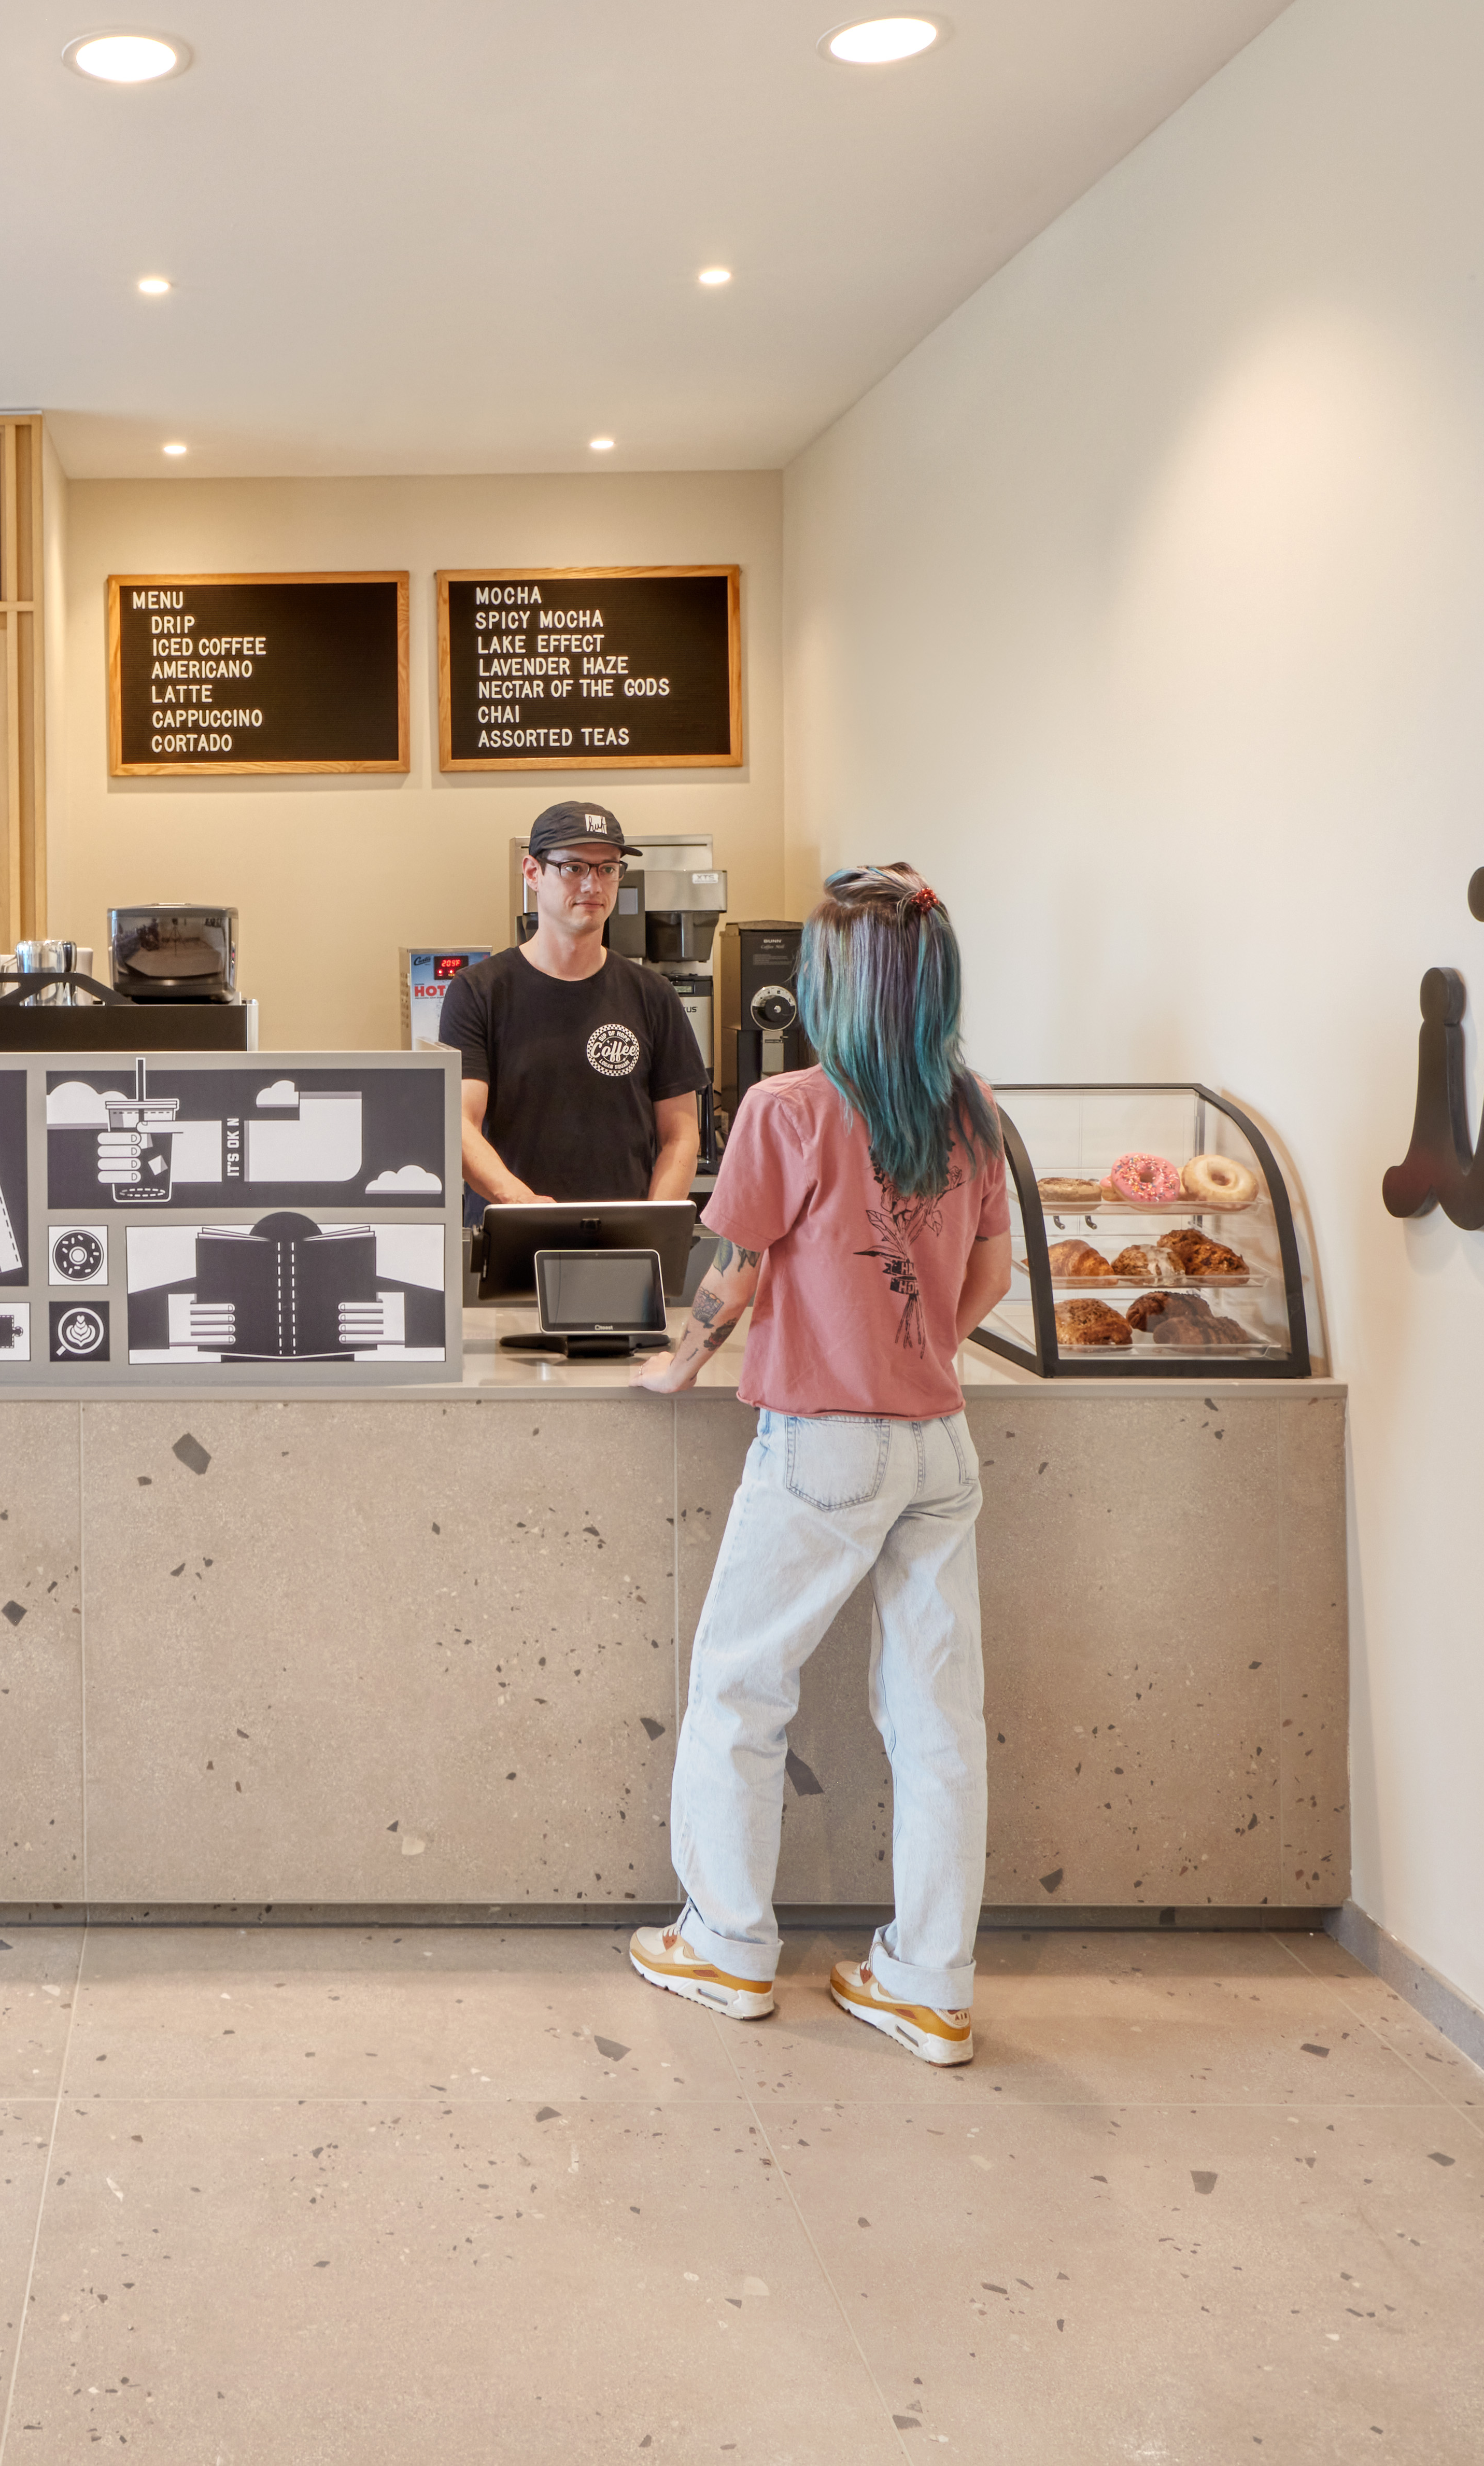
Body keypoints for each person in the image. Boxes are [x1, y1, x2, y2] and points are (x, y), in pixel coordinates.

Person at [626, 863, 1017, 2065]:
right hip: (938, 1445)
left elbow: (736, 1269)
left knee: (739, 1690)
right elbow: (990, 1274)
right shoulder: (969, 1109)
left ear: (834, 982)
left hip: (824, 1447)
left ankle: (727, 1945)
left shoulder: (787, 1106)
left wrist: (678, 1365)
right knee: (939, 1720)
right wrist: (917, 1349)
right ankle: (929, 1987)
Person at [442, 798, 707, 1206]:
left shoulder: (653, 994)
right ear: (533, 872)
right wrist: (523, 1204)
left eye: (607, 868)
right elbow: (460, 1122)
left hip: (625, 1237)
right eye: (574, 867)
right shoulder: (479, 991)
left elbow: (681, 1134)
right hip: (513, 1230)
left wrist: (654, 1223)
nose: (593, 885)